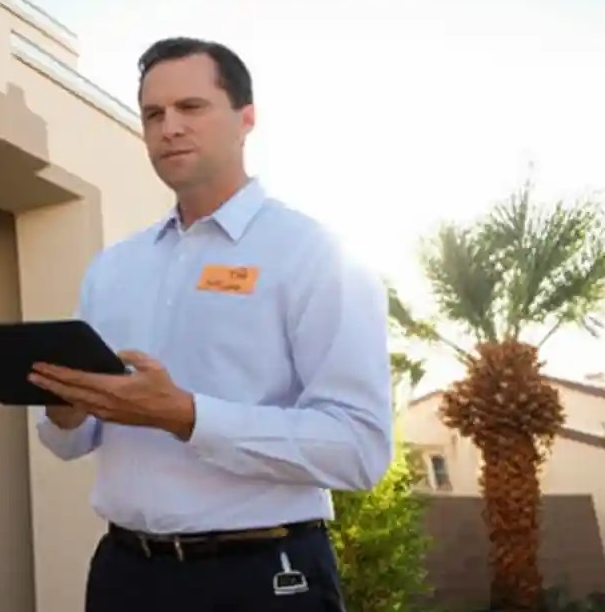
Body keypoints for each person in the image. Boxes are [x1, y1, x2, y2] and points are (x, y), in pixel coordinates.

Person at [28, 36, 393, 611]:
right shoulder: (113, 268)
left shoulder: (312, 254)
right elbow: (70, 442)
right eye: (153, 114)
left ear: (246, 119)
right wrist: (67, 407)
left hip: (263, 578)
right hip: (124, 577)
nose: (169, 127)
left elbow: (359, 448)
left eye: (191, 108)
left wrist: (186, 415)